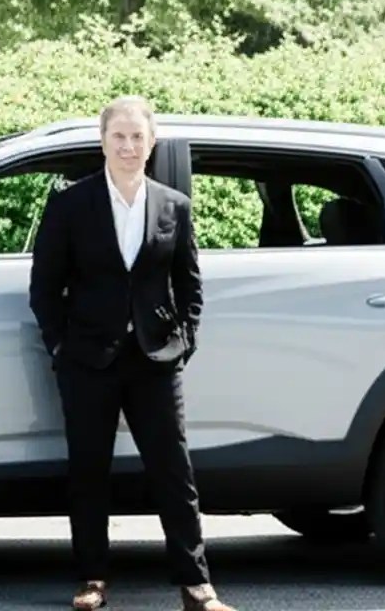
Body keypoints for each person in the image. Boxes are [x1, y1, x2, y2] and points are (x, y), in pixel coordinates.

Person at [29, 96, 236, 611]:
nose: (128, 146)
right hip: (87, 360)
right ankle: (92, 579)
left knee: (174, 471)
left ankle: (197, 585)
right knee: (88, 470)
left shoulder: (172, 205)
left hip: (154, 359)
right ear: (102, 141)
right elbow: (44, 287)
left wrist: (184, 339)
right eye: (118, 136)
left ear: (152, 142)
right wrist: (60, 345)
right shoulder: (70, 204)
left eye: (137, 137)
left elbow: (189, 283)